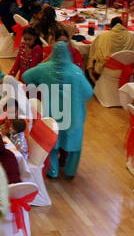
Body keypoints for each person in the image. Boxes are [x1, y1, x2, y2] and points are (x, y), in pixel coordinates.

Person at [22, 41, 93, 179]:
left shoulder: (44, 68)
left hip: (52, 113)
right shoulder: (76, 72)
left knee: (53, 143)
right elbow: (88, 93)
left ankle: (52, 171)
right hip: (74, 115)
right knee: (74, 145)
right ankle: (70, 172)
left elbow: (26, 76)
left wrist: (36, 86)